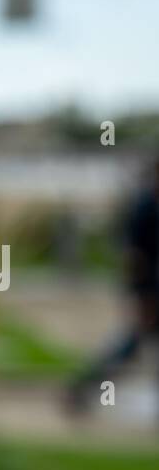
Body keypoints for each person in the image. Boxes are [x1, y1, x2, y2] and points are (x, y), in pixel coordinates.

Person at [68, 157, 159, 415]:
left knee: (132, 348)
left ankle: (82, 390)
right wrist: (144, 296)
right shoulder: (145, 208)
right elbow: (134, 258)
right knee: (129, 348)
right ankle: (82, 389)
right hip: (150, 294)